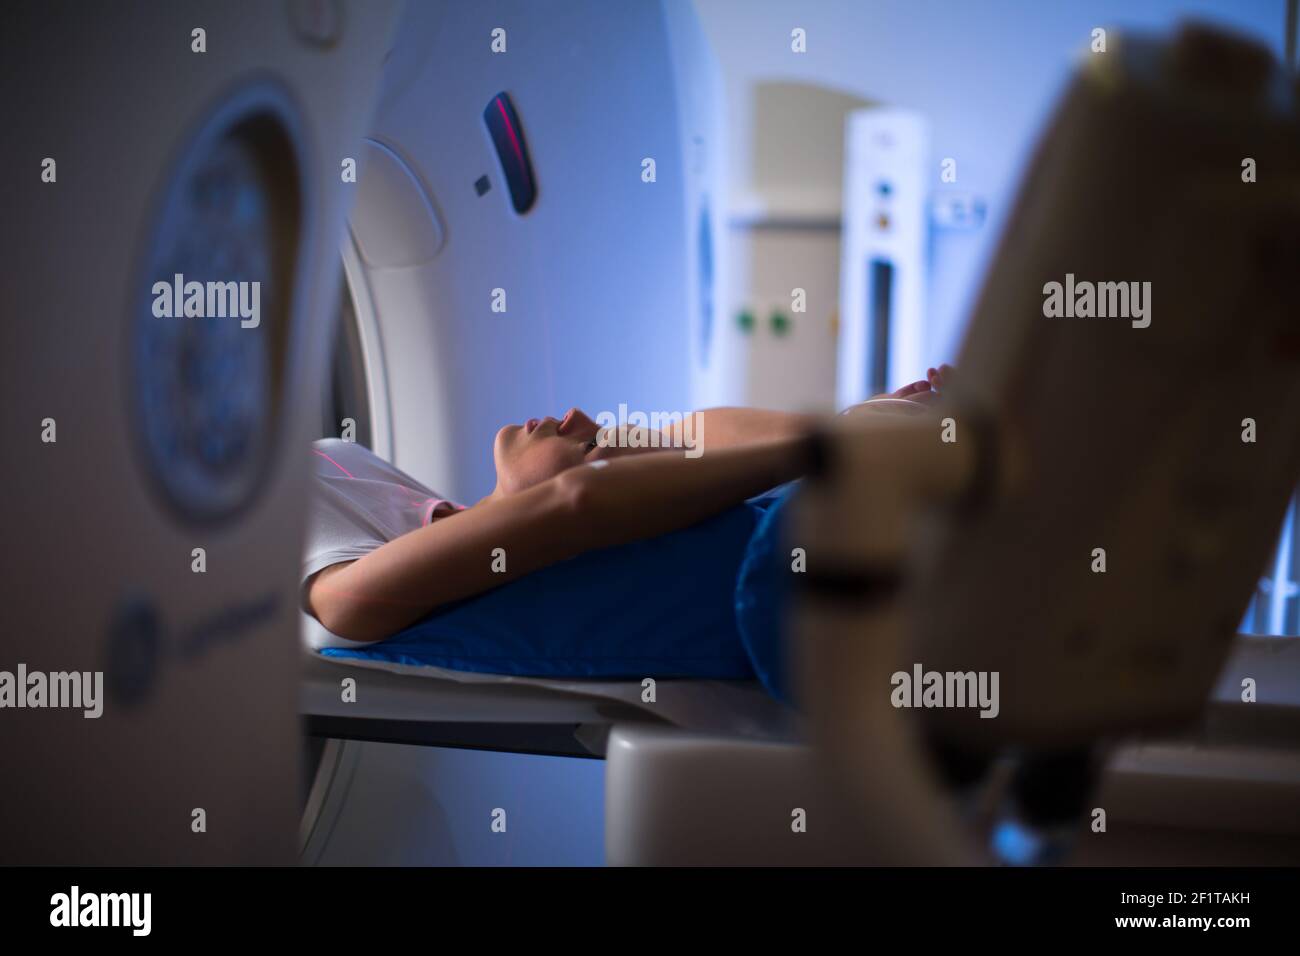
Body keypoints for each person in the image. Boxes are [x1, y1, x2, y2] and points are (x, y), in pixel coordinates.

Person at [303, 367, 953, 644]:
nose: (580, 416)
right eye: (592, 443)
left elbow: (687, 437)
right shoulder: (342, 579)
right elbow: (578, 502)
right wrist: (835, 449)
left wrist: (857, 422)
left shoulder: (352, 470)